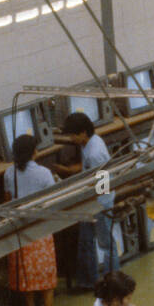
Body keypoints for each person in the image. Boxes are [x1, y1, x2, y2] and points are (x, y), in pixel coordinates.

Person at [53, 111, 118, 290]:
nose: (72, 139)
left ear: (83, 132)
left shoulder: (95, 152)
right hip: (90, 202)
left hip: (100, 203)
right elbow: (87, 169)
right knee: (85, 241)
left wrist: (86, 196)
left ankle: (113, 283)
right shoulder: (88, 143)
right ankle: (89, 281)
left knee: (106, 244)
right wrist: (68, 171)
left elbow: (103, 185)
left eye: (73, 135)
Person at [3, 133, 58, 306]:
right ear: (34, 152)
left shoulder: (9, 173)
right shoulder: (44, 173)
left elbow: (8, 200)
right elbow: (53, 199)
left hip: (20, 231)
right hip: (40, 229)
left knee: (26, 274)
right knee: (46, 274)